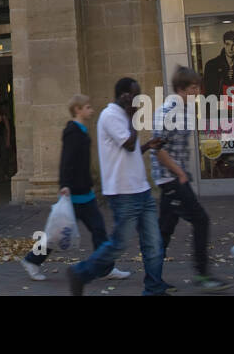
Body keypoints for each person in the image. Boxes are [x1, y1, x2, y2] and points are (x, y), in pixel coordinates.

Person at [68, 78, 170, 296]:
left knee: (153, 243)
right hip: (123, 193)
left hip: (140, 189)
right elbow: (128, 143)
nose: (138, 99)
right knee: (118, 244)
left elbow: (130, 151)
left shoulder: (122, 115)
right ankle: (81, 272)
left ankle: (154, 289)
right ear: (124, 96)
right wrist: (132, 117)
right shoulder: (110, 115)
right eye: (135, 94)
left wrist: (148, 145)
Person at [21, 94, 130, 282]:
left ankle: (105, 268)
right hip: (75, 194)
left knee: (98, 230)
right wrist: (65, 185)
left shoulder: (80, 130)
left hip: (84, 193)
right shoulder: (73, 131)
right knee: (57, 233)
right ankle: (31, 260)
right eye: (88, 107)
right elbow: (67, 160)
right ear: (78, 110)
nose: (91, 110)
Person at [152, 68, 230, 290]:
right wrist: (180, 173)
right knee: (200, 219)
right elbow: (159, 150)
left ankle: (153, 279)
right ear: (180, 89)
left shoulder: (184, 109)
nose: (197, 92)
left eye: (198, 87)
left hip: (173, 177)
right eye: (193, 88)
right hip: (170, 178)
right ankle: (203, 274)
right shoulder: (169, 111)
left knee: (165, 230)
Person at [203, 30, 234, 96]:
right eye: (227, 44)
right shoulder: (211, 65)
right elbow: (209, 91)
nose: (230, 48)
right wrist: (225, 77)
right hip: (220, 104)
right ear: (224, 44)